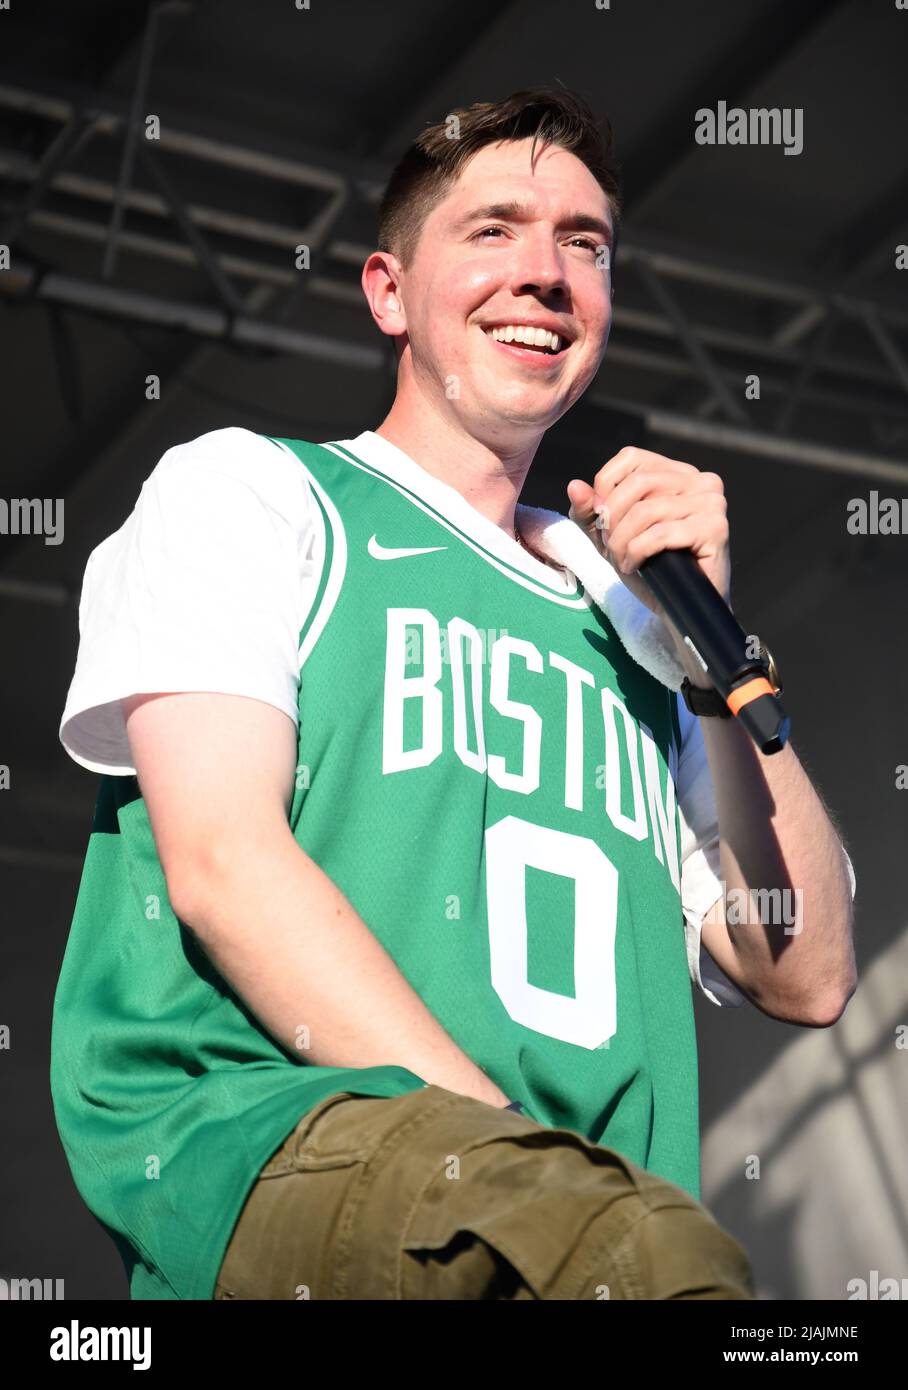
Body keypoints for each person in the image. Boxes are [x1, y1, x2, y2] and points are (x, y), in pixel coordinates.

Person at [51, 86, 856, 1301]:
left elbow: (805, 973)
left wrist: (715, 661)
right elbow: (222, 866)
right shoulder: (256, 497)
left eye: (582, 246)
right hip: (311, 1143)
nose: (544, 272)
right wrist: (526, 1171)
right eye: (493, 229)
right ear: (387, 293)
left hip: (577, 1233)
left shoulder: (642, 620)